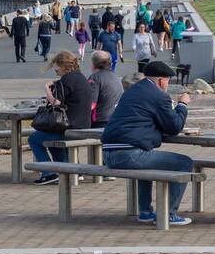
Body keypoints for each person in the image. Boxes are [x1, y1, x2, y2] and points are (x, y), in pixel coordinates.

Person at [101, 60, 195, 226]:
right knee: (184, 163)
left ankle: (145, 212)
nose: (167, 85)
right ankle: (168, 214)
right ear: (160, 80)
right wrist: (182, 105)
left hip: (109, 154)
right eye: (167, 81)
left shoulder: (132, 91)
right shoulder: (159, 96)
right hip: (128, 155)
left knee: (147, 159)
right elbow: (174, 127)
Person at [28, 51, 93, 184]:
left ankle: (49, 173)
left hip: (70, 127)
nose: (55, 70)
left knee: (34, 138)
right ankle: (67, 169)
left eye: (56, 66)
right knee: (50, 139)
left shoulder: (66, 80)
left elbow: (56, 102)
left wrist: (47, 89)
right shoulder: (81, 78)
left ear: (63, 65)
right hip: (83, 125)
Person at [88, 51, 123, 128]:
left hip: (100, 121)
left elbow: (91, 104)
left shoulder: (94, 78)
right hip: (115, 118)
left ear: (93, 64)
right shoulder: (116, 77)